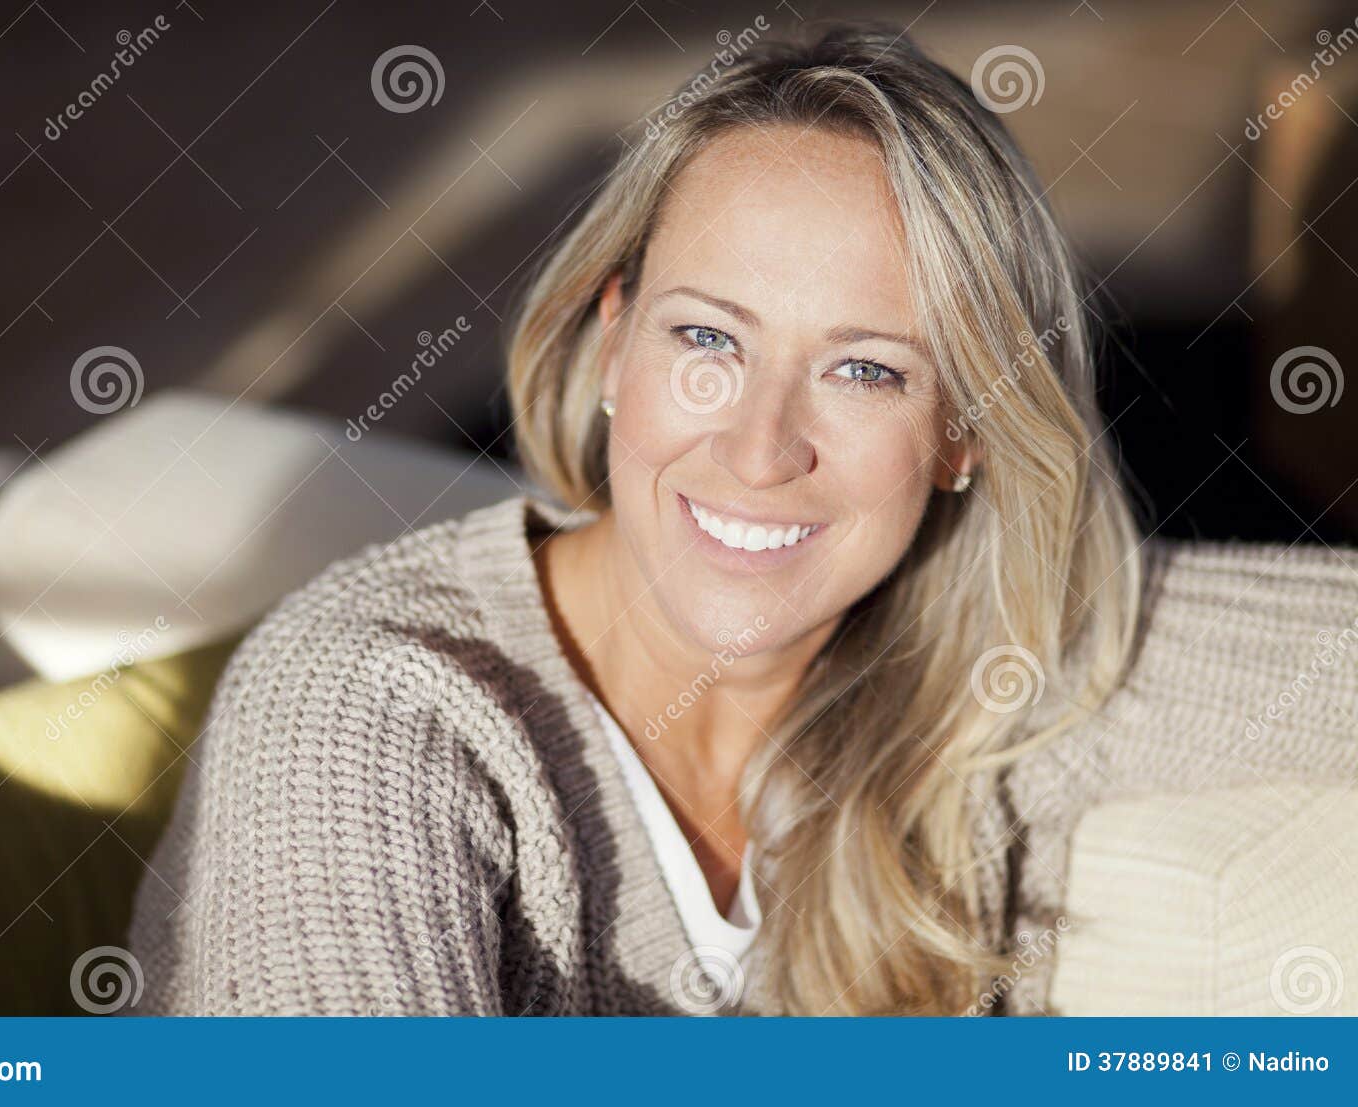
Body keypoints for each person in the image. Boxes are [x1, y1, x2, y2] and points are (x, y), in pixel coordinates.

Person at [127, 21, 1357, 1016]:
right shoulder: (371, 718)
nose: (760, 450)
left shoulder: (978, 679)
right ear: (614, 346)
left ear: (966, 432)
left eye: (866, 368)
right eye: (707, 338)